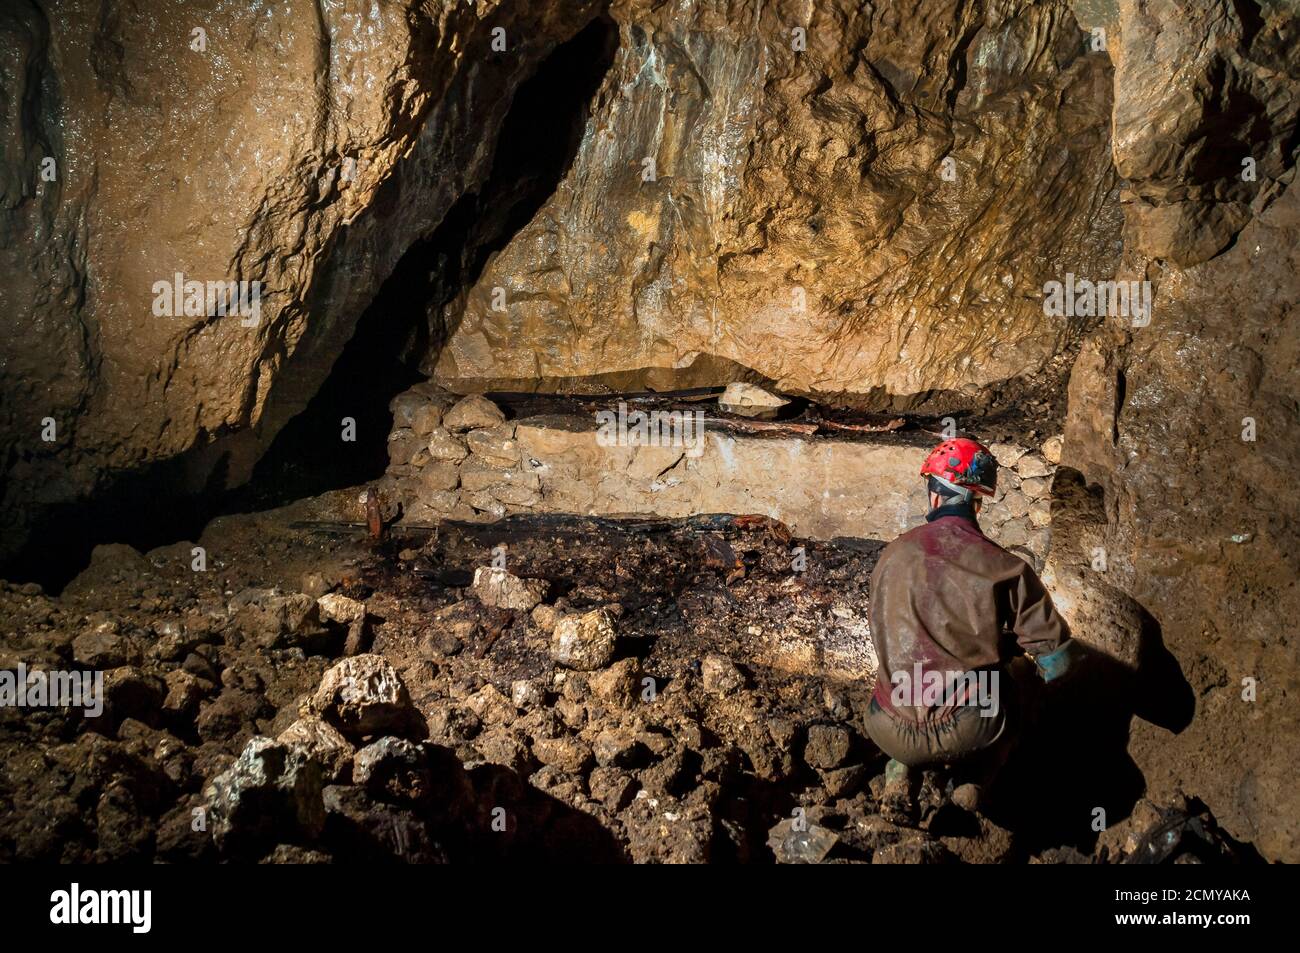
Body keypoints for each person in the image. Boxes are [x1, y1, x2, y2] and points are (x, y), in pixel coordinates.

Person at [864, 435, 1075, 809]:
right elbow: (1058, 662)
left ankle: (899, 772)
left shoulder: (890, 557)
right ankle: (974, 781)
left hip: (886, 726)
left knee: (901, 679)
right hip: (970, 728)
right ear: (976, 504)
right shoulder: (1005, 566)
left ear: (934, 497)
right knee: (1016, 680)